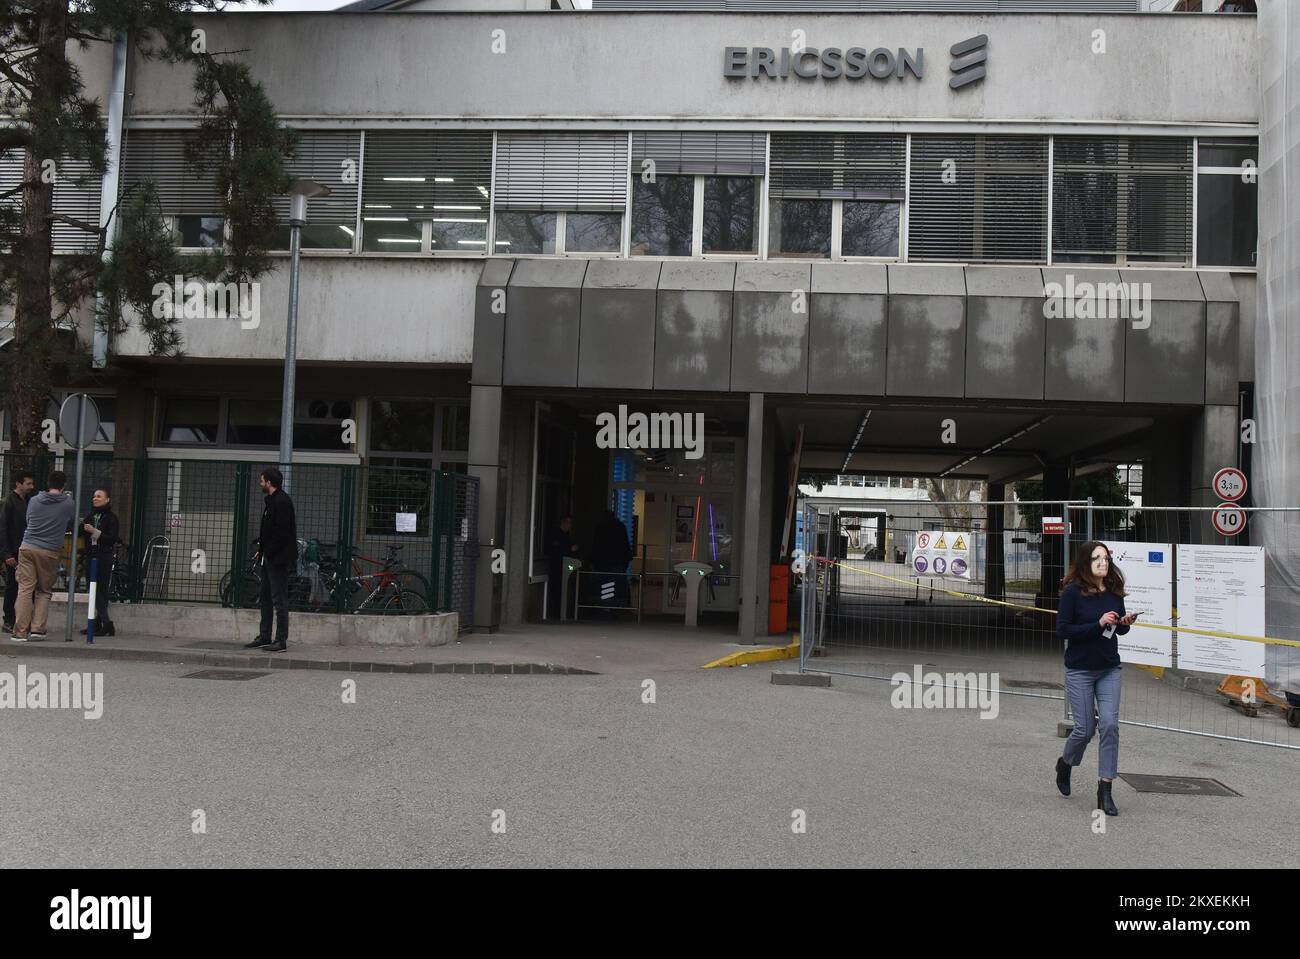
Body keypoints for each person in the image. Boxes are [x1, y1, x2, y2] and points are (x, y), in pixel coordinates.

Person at [1054, 540, 1138, 816]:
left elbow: (1118, 632)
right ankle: (1065, 763)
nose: (1103, 563)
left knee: (1111, 726)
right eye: (1096, 559)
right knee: (1084, 729)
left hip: (1109, 668)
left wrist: (1123, 624)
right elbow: (1064, 630)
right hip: (1080, 670)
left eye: (1106, 558)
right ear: (1085, 563)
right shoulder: (1072, 594)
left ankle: (1105, 789)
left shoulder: (1114, 592)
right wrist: (1097, 624)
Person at [11, 471, 76, 642]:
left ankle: (19, 632)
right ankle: (37, 630)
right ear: (64, 486)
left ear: (48, 483)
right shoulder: (68, 503)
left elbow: (28, 519)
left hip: (27, 546)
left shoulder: (34, 500)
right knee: (44, 591)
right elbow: (70, 521)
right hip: (49, 550)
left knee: (25, 588)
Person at [246, 467, 297, 652]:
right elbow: (267, 531)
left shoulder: (282, 502)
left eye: (262, 480)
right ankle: (265, 636)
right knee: (265, 597)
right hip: (269, 557)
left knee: (279, 599)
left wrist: (268, 551)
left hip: (278, 559)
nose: (260, 484)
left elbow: (281, 533)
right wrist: (262, 550)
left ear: (269, 482)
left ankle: (281, 640)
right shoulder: (272, 501)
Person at [79, 488, 120, 637]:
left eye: (99, 496)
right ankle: (97, 622)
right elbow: (81, 531)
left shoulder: (111, 518)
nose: (95, 498)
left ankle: (106, 622)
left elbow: (112, 538)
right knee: (93, 589)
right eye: (94, 496)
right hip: (91, 555)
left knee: (100, 589)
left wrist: (94, 532)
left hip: (104, 556)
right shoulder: (90, 516)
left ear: (107, 499)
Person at [1, 471, 35, 633]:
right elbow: (3, 528)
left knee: (26, 586)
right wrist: (6, 554)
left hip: (26, 549)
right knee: (12, 586)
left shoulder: (27, 501)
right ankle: (8, 620)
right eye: (28, 483)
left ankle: (22, 619)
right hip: (14, 551)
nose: (31, 487)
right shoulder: (9, 502)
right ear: (18, 484)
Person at [589, 509, 632, 613]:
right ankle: (617, 606)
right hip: (618, 562)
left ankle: (607, 606)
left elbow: (596, 546)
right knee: (617, 584)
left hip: (604, 563)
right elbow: (625, 546)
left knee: (606, 584)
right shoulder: (620, 527)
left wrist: (594, 561)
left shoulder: (600, 528)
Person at [545, 514, 579, 619]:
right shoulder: (556, 535)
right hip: (557, 568)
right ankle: (556, 614)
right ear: (564, 522)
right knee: (557, 591)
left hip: (565, 567)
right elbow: (557, 551)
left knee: (562, 591)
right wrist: (570, 549)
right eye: (569, 523)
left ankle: (560, 613)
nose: (570, 525)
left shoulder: (566, 535)